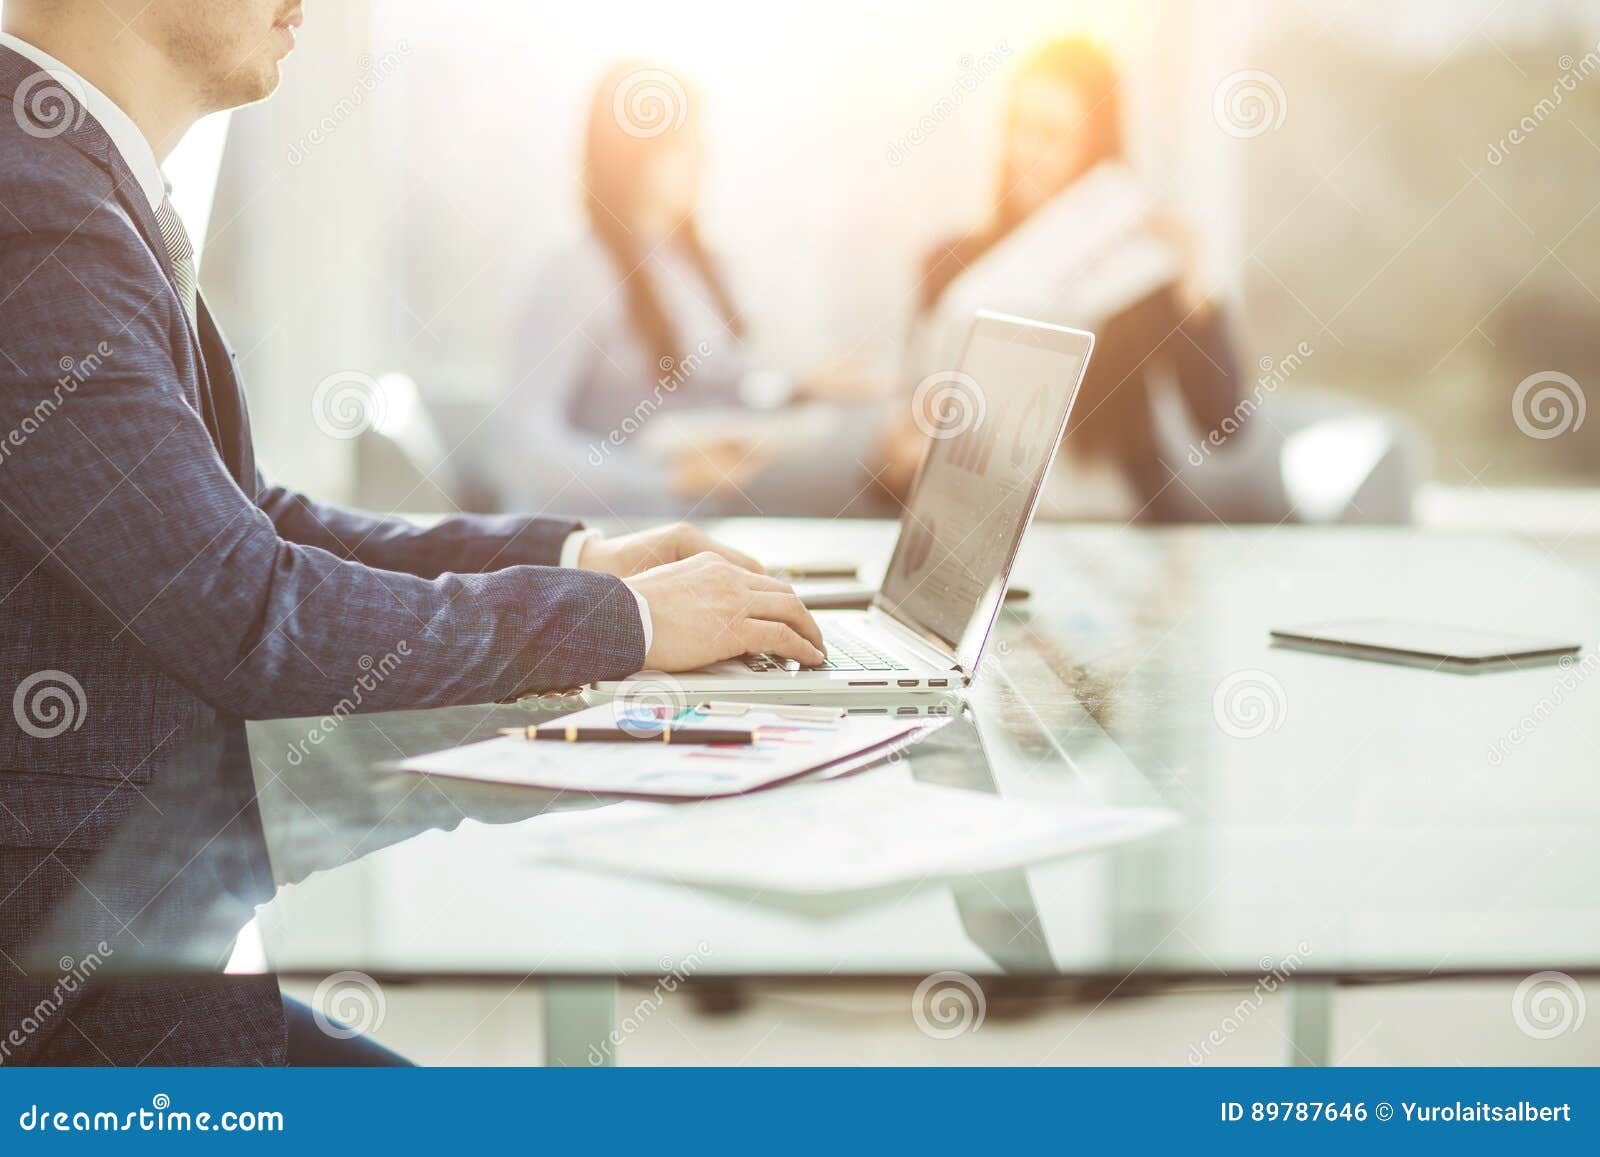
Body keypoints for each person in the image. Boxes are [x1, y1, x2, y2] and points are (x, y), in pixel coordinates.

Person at [0, 0, 823, 1065]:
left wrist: (576, 559)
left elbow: (254, 524)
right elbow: (245, 610)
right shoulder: (35, 209)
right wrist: (613, 620)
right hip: (76, 1010)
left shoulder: (74, 180)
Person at [485, 61, 883, 518]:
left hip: (704, 523)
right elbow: (524, 450)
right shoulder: (575, 274)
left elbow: (711, 399)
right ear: (630, 152)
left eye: (700, 139)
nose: (702, 156)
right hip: (613, 533)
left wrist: (797, 393)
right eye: (682, 143)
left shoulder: (704, 268)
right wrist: (663, 479)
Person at [882, 38, 1241, 522]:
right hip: (979, 535)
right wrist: (903, 454)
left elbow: (1223, 424)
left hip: (1116, 530)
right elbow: (896, 455)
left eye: (1053, 133)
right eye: (1019, 127)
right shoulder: (950, 264)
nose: (1026, 151)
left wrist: (1193, 281)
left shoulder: (1135, 270)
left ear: (1094, 144)